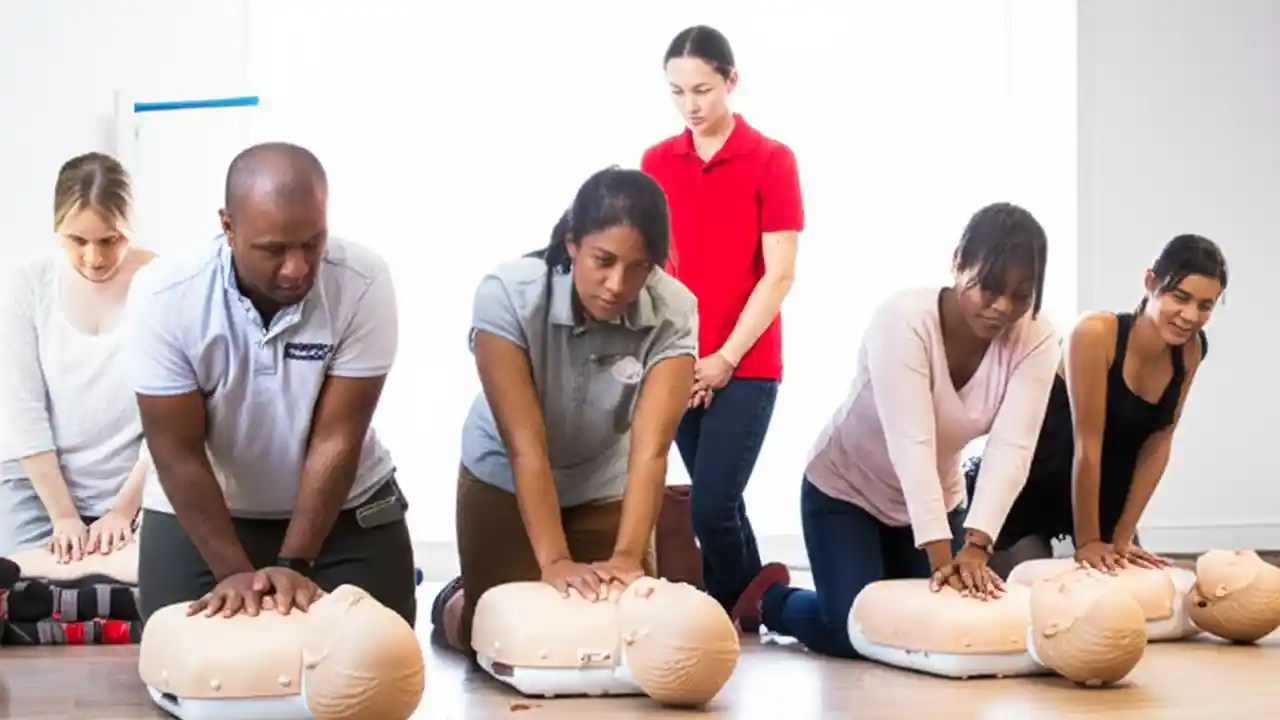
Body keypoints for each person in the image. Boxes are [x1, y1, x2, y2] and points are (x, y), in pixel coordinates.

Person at [745, 202, 1058, 659]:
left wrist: (975, 547)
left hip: (935, 502)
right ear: (957, 262)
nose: (1002, 308)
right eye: (988, 288)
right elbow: (912, 444)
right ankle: (769, 599)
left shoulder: (1036, 337)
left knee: (923, 629)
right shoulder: (904, 319)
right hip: (845, 493)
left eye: (1021, 296)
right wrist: (940, 561)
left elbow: (1013, 448)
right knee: (856, 632)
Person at [123, 142, 415, 627]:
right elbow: (177, 452)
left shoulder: (363, 282)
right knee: (192, 667)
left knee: (372, 663)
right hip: (205, 514)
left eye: (312, 242)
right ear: (229, 227)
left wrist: (295, 564)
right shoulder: (166, 296)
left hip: (343, 513)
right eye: (274, 250)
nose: (297, 267)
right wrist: (236, 573)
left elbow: (336, 437)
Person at [428, 167, 698, 659]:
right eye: (603, 260)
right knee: (500, 638)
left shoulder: (674, 311)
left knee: (629, 635)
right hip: (506, 477)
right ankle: (453, 600)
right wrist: (553, 560)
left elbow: (651, 450)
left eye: (639, 268)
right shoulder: (507, 294)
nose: (618, 284)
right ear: (573, 244)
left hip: (602, 480)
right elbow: (524, 445)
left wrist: (626, 556)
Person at [640, 25, 804, 627]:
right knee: (722, 504)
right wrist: (679, 359)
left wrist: (725, 359)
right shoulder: (656, 162)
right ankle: (760, 611)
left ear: (731, 81)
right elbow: (653, 273)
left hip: (748, 362)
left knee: (710, 506)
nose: (690, 105)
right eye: (677, 92)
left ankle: (732, 612)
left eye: (703, 90)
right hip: (678, 361)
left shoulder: (771, 160)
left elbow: (779, 275)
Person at [968, 234, 1227, 577]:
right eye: (1180, 297)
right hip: (1028, 492)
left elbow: (1159, 441)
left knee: (1125, 593)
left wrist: (1122, 536)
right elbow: (1087, 443)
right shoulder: (1094, 333)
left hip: (1101, 501)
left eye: (1206, 305)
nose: (1190, 316)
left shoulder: (1191, 350)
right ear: (1150, 282)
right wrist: (1088, 542)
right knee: (1031, 592)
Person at [0, 152, 155, 561]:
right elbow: (23, 413)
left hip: (137, 485)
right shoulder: (30, 285)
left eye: (110, 240)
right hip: (36, 484)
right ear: (57, 230)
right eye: (78, 240)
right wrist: (64, 516)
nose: (94, 257)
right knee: (24, 587)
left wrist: (123, 510)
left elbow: (172, 415)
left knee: (134, 590)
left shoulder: (162, 286)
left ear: (131, 229)